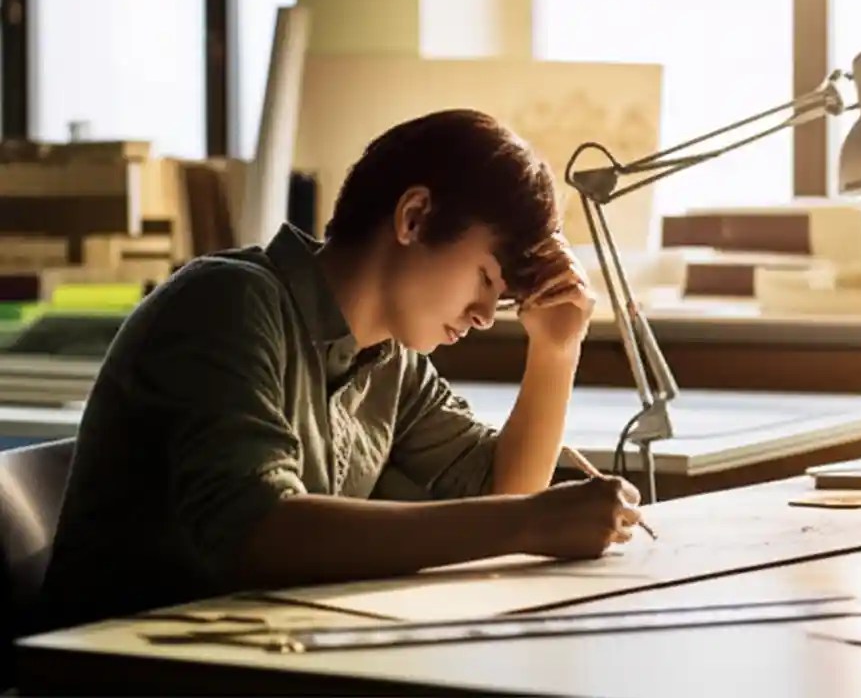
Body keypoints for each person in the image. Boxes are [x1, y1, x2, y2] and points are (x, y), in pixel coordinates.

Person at [41, 109, 642, 629]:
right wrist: (529, 524)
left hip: (259, 663)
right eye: (486, 278)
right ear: (414, 217)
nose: (488, 316)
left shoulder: (390, 361)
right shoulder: (228, 303)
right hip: (118, 673)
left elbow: (505, 492)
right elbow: (258, 531)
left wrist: (557, 350)